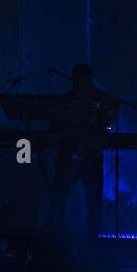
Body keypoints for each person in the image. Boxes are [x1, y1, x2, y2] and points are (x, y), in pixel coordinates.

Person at [48, 64, 107, 238]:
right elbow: (54, 128)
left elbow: (104, 127)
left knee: (92, 202)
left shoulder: (97, 102)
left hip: (89, 156)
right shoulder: (66, 101)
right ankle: (57, 238)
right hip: (69, 156)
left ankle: (89, 239)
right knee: (59, 200)